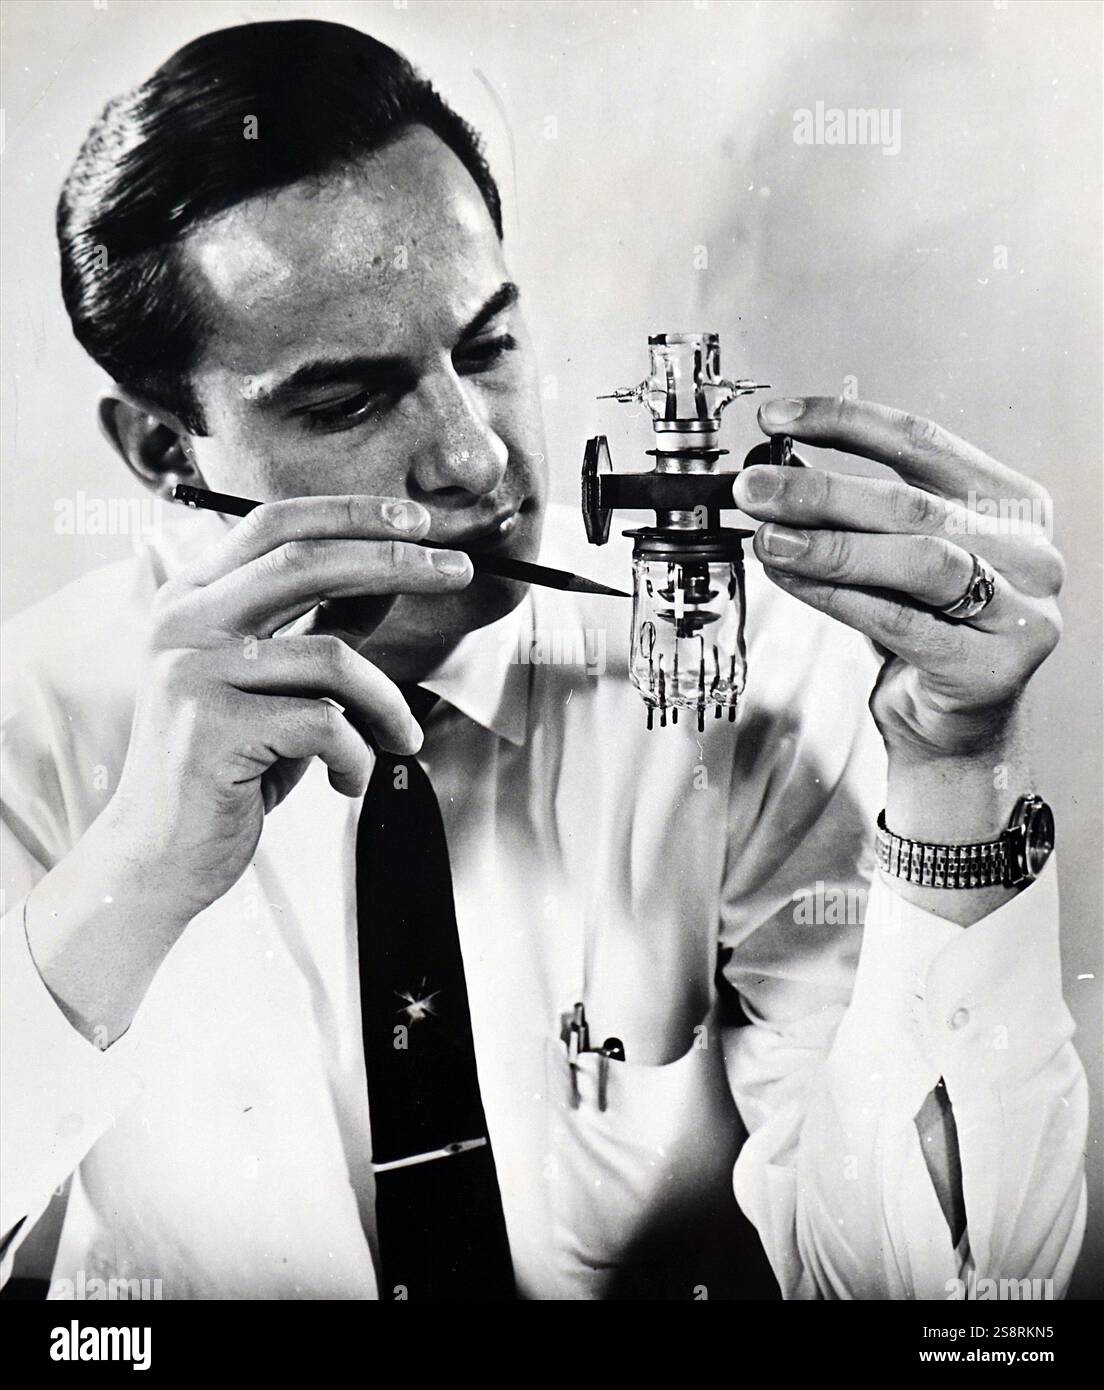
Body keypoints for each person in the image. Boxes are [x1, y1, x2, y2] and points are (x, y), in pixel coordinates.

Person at [0, 19, 1086, 1300]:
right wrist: (124, 887)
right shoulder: (32, 728)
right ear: (164, 453)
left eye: (489, 347)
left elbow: (950, 1309)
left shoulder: (736, 682)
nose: (476, 462)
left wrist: (962, 771)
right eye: (346, 400)